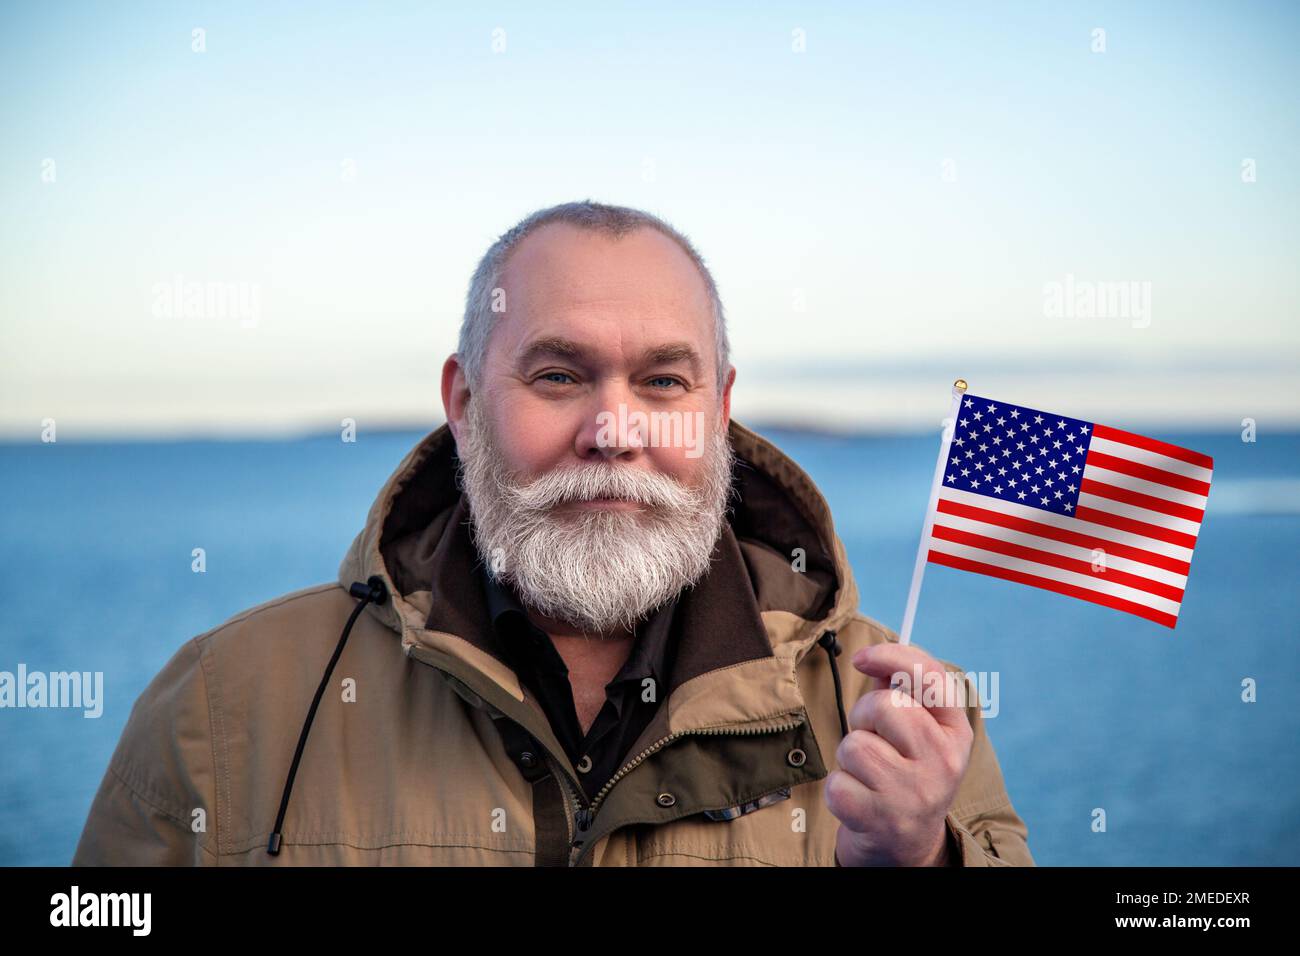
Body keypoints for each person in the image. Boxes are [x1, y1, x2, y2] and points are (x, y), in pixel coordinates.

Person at [72, 200, 1033, 866]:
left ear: (719, 407)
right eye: (560, 377)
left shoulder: (901, 719)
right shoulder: (228, 703)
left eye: (663, 382)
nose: (613, 431)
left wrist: (920, 861)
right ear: (464, 402)